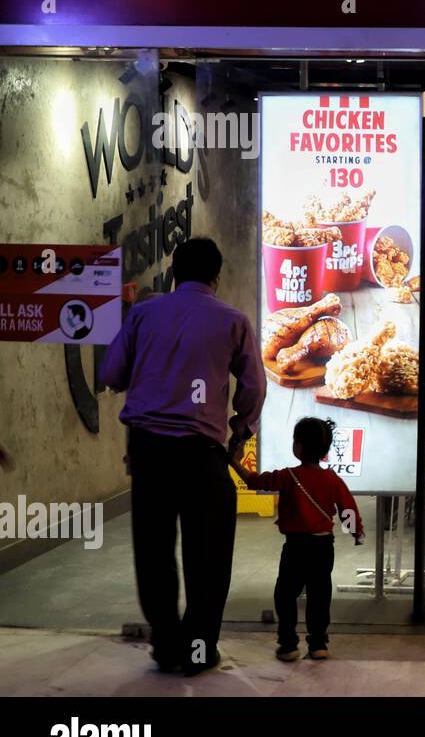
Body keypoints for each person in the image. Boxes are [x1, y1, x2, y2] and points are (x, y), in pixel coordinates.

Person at [98, 237, 266, 676]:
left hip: (149, 450)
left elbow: (111, 373)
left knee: (153, 550)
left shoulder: (143, 313)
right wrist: (240, 430)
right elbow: (254, 387)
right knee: (208, 554)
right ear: (216, 276)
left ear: (173, 273)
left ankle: (166, 644)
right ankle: (197, 650)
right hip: (202, 452)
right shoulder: (233, 321)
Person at [229, 417, 364, 662]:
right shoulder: (332, 479)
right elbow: (348, 509)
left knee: (285, 594)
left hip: (296, 546)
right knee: (319, 594)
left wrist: (234, 461)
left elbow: (255, 481)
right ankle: (318, 644)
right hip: (324, 546)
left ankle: (289, 644)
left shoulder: (288, 477)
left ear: (298, 447)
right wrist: (356, 533)